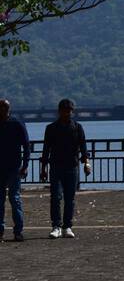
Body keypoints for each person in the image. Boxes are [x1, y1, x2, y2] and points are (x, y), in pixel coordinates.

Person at [40, 99, 90, 238]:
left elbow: (83, 148)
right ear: (59, 111)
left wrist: (86, 165)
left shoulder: (77, 127)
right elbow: (46, 150)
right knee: (55, 197)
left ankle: (67, 226)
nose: (67, 113)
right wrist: (43, 169)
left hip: (72, 166)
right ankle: (56, 226)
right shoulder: (51, 128)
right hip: (55, 166)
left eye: (69, 111)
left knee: (70, 198)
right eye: (64, 110)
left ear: (72, 111)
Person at [0, 98, 30, 241]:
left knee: (14, 199)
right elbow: (26, 146)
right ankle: (3, 231)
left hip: (13, 168)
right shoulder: (15, 123)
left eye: (4, 108)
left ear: (8, 109)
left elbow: (26, 145)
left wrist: (24, 166)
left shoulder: (16, 123)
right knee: (7, 200)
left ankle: (18, 230)